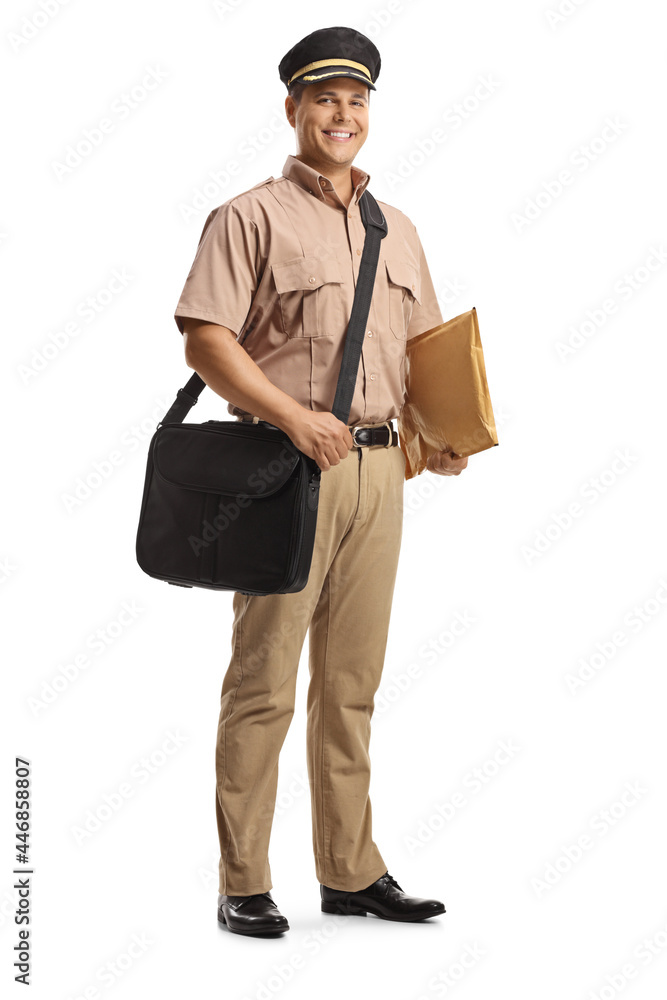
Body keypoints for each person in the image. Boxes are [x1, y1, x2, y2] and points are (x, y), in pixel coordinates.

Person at [174, 25, 468, 937]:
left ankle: (349, 870)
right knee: (263, 680)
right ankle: (244, 879)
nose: (342, 114)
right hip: (281, 471)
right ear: (292, 108)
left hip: (382, 474)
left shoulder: (399, 228)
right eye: (324, 98)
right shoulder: (248, 217)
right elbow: (206, 339)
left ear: (368, 112)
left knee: (352, 683)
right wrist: (295, 418)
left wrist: (440, 434)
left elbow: (417, 349)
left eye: (356, 99)